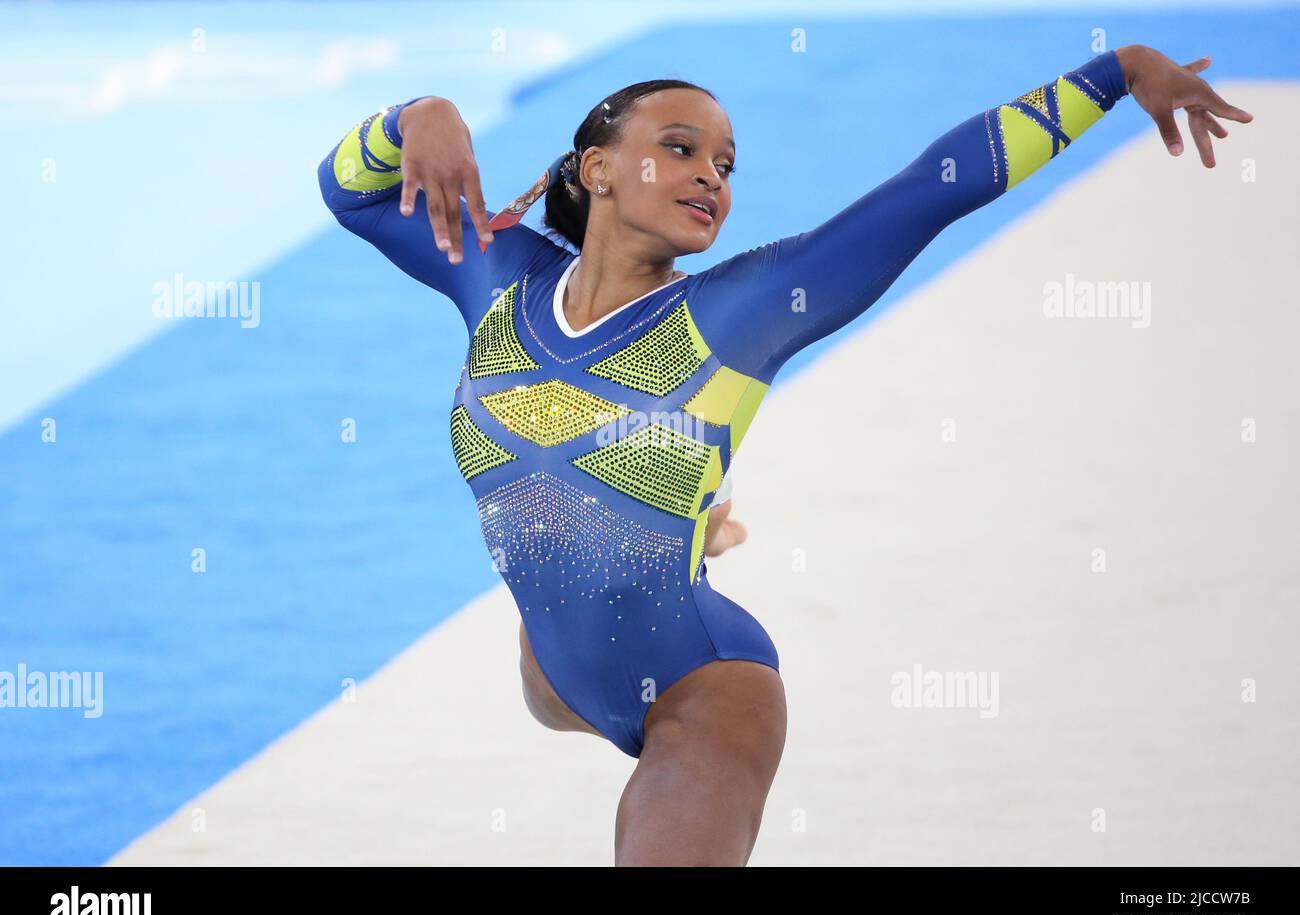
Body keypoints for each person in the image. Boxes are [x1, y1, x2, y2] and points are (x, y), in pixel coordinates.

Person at [317, 44, 1251, 865]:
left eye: (725, 164)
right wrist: (417, 116)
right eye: (679, 148)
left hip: (703, 685)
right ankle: (696, 530)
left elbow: (931, 191)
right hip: (553, 678)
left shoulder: (742, 307)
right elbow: (346, 187)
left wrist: (1116, 71)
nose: (710, 177)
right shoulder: (494, 273)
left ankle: (694, 538)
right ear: (595, 168)